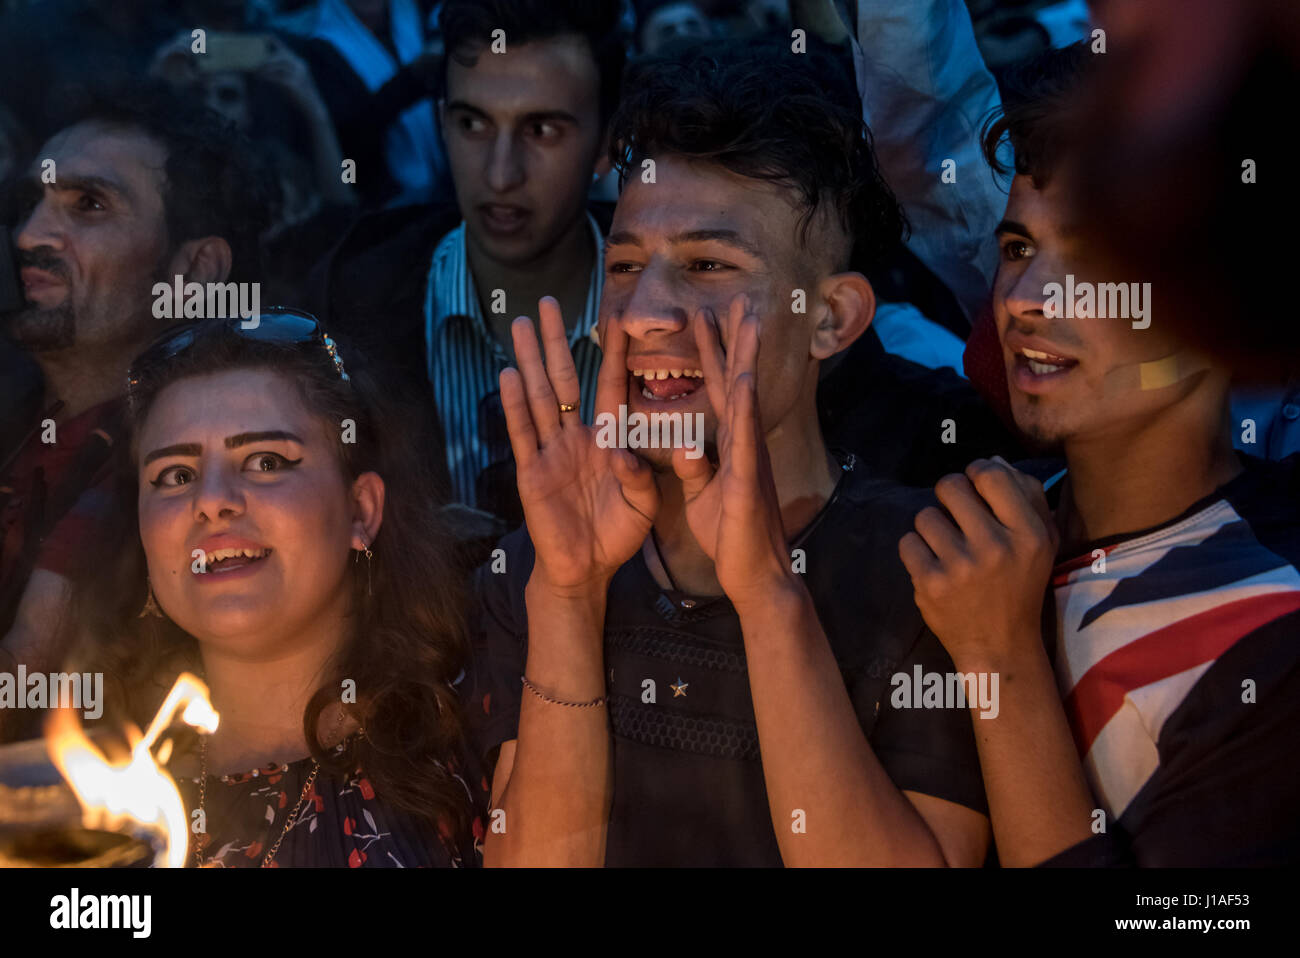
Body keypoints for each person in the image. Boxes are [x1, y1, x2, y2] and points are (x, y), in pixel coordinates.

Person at [466, 44, 993, 867]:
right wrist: (569, 598)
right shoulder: (538, 566)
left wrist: (767, 594)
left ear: (832, 319)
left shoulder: (933, 573)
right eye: (629, 264)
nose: (642, 314)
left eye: (709, 266)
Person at [898, 44, 1300, 866]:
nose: (1024, 299)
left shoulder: (1275, 626)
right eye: (1017, 249)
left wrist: (1001, 659)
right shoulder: (978, 527)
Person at [67, 312, 483, 867]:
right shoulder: (97, 796)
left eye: (266, 462)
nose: (212, 500)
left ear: (360, 510)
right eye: (175, 475)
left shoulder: (481, 746)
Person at [0, 88, 271, 712]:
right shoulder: (26, 417)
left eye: (88, 205)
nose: (29, 235)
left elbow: (25, 675)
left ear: (197, 269)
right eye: (30, 204)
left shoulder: (161, 466)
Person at [314, 0, 627, 526]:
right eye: (473, 124)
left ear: (606, 147)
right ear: (441, 124)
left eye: (542, 131)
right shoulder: (344, 310)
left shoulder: (670, 313)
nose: (501, 174)